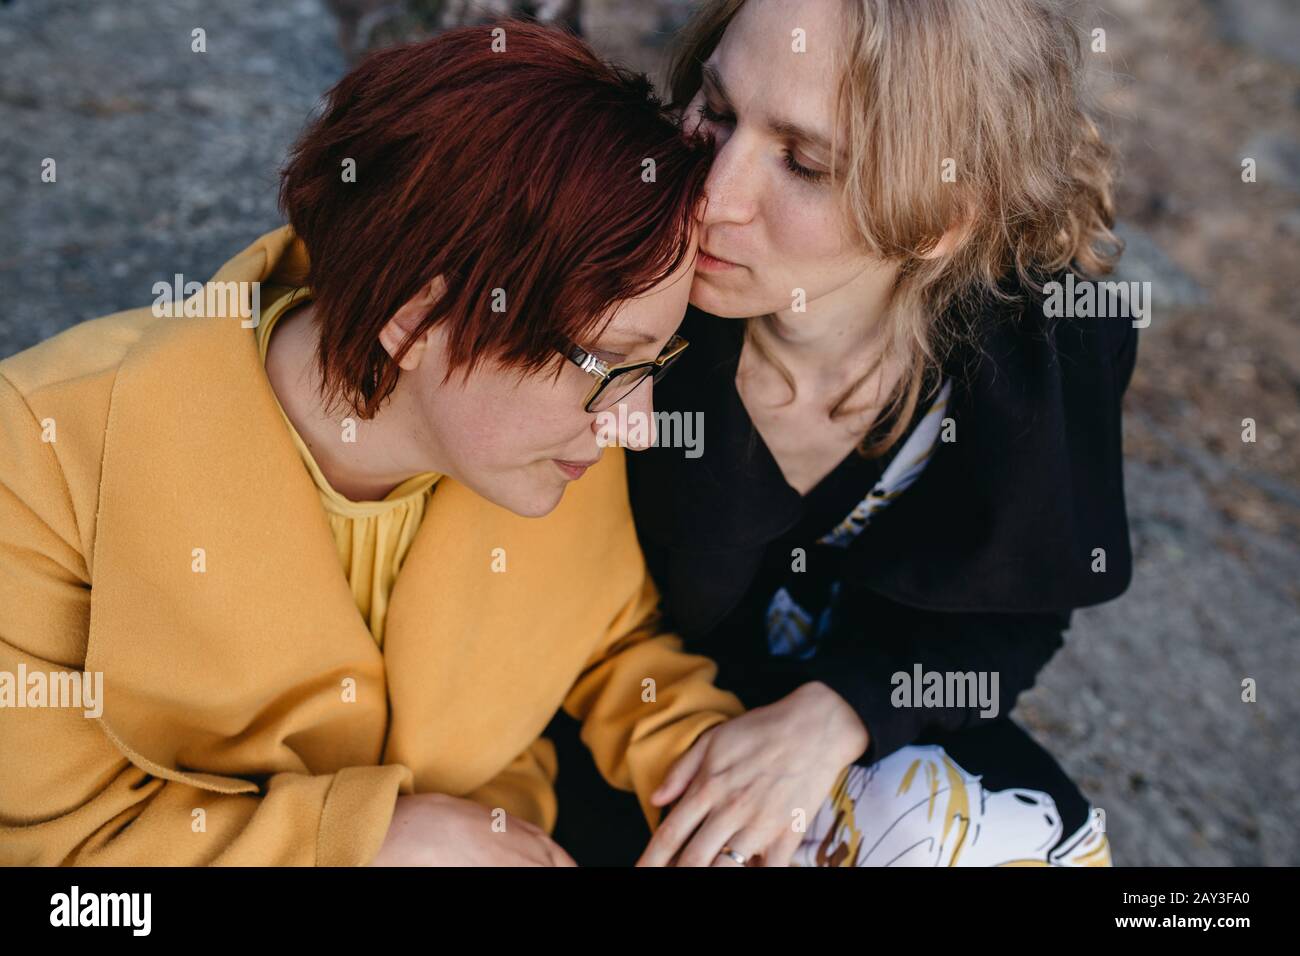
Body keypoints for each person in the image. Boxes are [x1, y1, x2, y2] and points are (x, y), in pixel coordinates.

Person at [0, 21, 746, 867]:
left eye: (655, 363)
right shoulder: (36, 457)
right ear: (417, 319)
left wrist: (721, 784)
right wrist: (366, 843)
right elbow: (60, 863)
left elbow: (605, 641)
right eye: (609, 361)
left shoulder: (552, 443)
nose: (638, 425)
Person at [547, 0, 1135, 867]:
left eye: (805, 162)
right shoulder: (625, 305)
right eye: (716, 109)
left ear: (942, 220)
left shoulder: (1043, 339)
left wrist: (844, 709)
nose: (712, 196)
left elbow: (1017, 615)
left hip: (864, 747)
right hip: (616, 759)